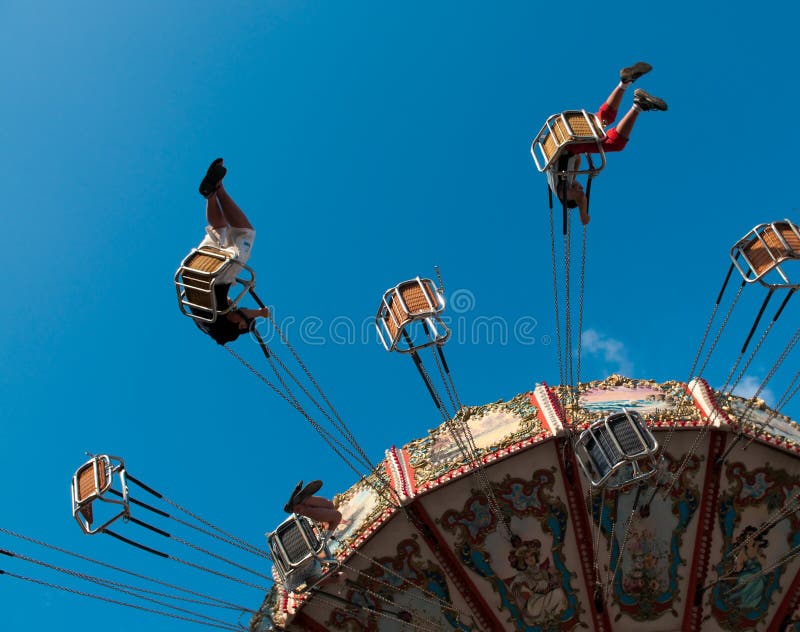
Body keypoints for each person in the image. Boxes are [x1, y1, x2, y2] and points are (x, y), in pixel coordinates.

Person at [547, 62, 668, 225]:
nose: (580, 189)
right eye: (580, 188)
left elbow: (581, 199)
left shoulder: (561, 193)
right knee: (607, 132)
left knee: (607, 132)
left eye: (577, 192)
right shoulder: (562, 179)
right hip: (566, 143)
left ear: (568, 199)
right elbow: (577, 159)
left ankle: (633, 96)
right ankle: (634, 96)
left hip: (567, 146)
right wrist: (578, 172)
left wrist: (584, 216)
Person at [191, 158, 270, 344]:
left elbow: (241, 315)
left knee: (246, 233)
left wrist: (260, 313)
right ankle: (211, 194)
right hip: (197, 272)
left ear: (241, 325)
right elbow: (229, 312)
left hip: (214, 277)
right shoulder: (211, 326)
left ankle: (219, 190)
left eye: (245, 322)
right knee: (220, 228)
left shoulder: (231, 332)